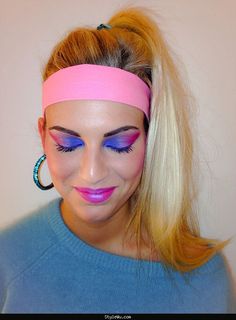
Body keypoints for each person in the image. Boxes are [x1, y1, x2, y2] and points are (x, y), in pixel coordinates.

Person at [0, 7, 235, 314]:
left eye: (119, 144)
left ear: (150, 141)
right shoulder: (8, 258)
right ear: (44, 136)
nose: (92, 173)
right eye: (68, 144)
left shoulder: (205, 278)